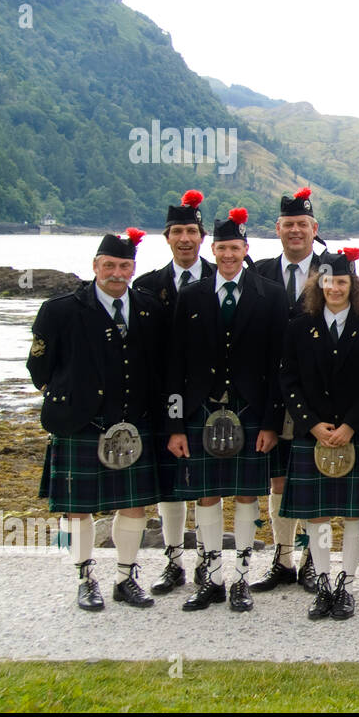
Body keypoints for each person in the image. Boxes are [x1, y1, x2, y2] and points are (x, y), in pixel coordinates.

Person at [29, 227, 166, 611]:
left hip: (133, 424)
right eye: (109, 265)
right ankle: (85, 578)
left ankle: (125, 578)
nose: (117, 273)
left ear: (133, 268)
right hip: (80, 424)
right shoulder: (60, 310)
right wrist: (68, 400)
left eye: (124, 266)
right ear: (95, 266)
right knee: (79, 507)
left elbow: (160, 366)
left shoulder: (147, 309)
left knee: (134, 504)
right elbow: (39, 366)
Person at [167, 207, 288, 613]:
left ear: (246, 248)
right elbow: (176, 364)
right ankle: (212, 578)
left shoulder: (271, 294)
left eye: (235, 248)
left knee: (247, 495)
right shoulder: (192, 295)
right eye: (221, 248)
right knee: (207, 495)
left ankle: (241, 579)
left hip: (250, 407)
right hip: (203, 408)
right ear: (212, 248)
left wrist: (271, 423)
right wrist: (177, 424)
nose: (228, 255)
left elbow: (278, 366)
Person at [279, 248, 359, 620]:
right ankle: (324, 583)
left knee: (355, 518)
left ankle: (346, 584)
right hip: (314, 434)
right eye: (328, 281)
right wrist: (310, 423)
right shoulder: (299, 325)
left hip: (357, 433)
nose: (335, 288)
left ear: (353, 285)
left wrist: (351, 425)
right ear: (318, 283)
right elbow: (288, 379)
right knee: (319, 517)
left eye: (342, 281)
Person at [132, 190, 216, 596]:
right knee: (170, 485)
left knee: (204, 486)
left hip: (208, 400)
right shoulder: (147, 285)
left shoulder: (224, 277)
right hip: (160, 398)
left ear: (202, 237)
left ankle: (206, 563)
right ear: (166, 237)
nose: (185, 238)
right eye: (177, 231)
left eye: (192, 231)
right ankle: (172, 562)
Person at [251, 187, 324, 596]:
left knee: (315, 478)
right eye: (288, 224)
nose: (295, 230)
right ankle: (282, 559)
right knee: (277, 479)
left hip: (316, 397)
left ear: (314, 229)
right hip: (269, 394)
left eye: (303, 224)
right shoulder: (257, 271)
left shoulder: (330, 271)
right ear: (277, 229)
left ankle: (314, 560)